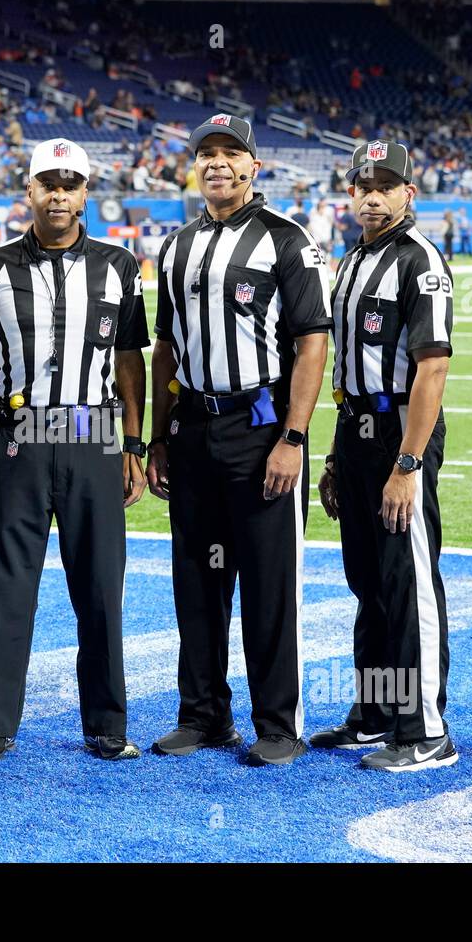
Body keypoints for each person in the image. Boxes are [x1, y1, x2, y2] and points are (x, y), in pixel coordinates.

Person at [146, 114, 332, 766]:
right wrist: (157, 436)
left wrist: (295, 437)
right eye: (207, 153)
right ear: (194, 166)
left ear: (255, 166)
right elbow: (165, 348)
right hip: (192, 427)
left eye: (232, 153)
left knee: (268, 581)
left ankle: (278, 724)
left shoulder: (288, 240)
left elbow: (313, 342)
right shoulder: (176, 246)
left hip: (259, 431)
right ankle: (203, 715)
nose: (219, 163)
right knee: (196, 578)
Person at [0, 138, 150, 762]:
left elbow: (128, 359)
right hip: (19, 433)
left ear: (85, 194)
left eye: (71, 184)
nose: (59, 194)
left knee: (100, 584)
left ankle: (107, 726)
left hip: (93, 432)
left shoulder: (119, 267)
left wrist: (133, 441)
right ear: (30, 191)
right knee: (8, 584)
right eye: (49, 183)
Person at [312, 139, 456, 771]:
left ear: (408, 194)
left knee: (409, 577)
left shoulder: (418, 260)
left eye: (385, 185)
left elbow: (433, 369)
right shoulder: (351, 259)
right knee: (367, 578)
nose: (373, 195)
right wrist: (337, 458)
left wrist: (409, 462)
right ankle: (377, 711)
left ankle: (425, 727)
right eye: (362, 185)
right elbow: (346, 366)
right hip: (356, 426)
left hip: (401, 426)